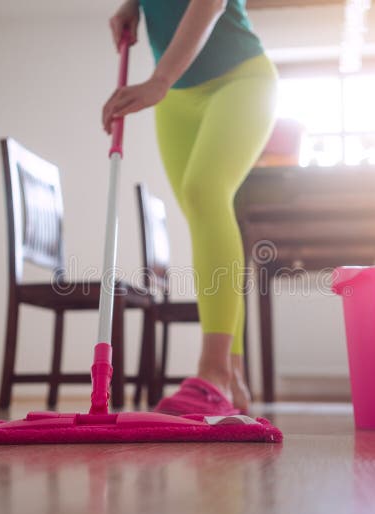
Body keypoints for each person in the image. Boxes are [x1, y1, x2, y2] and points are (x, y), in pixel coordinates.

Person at [103, 0, 277, 415]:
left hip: (240, 77)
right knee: (204, 217)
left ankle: (213, 371)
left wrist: (159, 80)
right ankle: (233, 378)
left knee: (204, 192)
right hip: (176, 101)